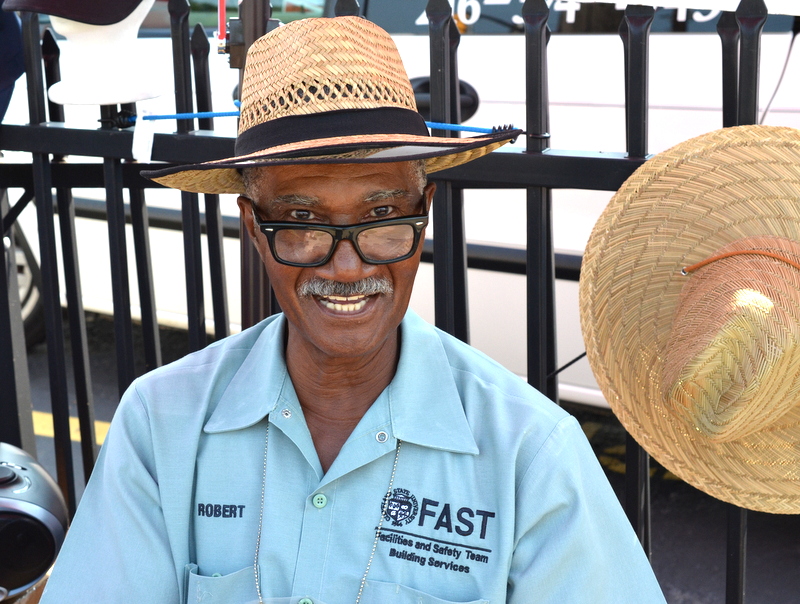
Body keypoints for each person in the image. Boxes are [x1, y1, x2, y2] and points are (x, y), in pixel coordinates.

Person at [39, 16, 667, 604]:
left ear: (424, 216)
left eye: (382, 218)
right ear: (255, 230)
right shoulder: (162, 424)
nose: (347, 267)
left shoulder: (530, 452)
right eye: (304, 223)